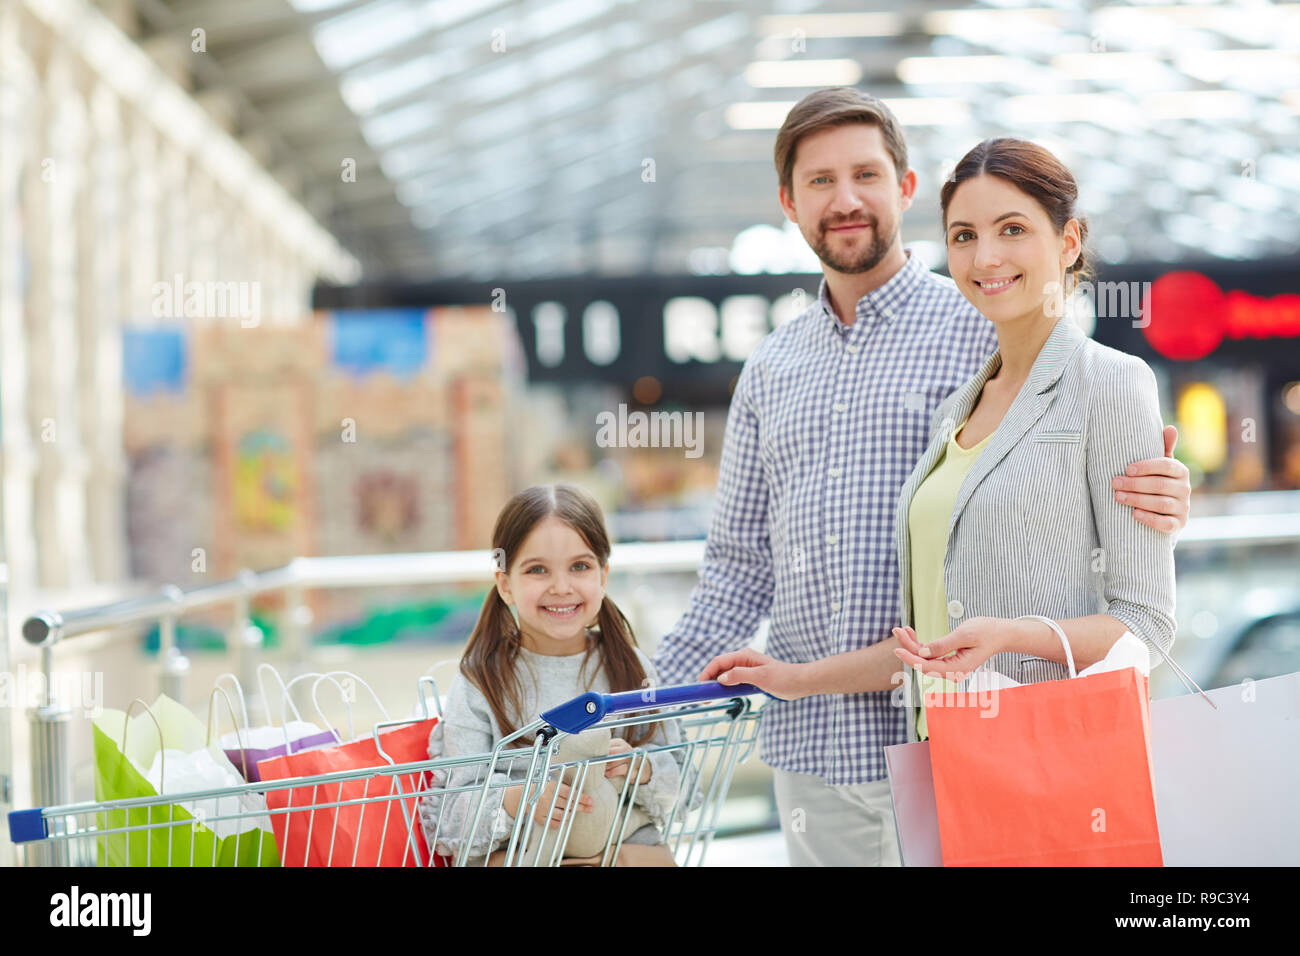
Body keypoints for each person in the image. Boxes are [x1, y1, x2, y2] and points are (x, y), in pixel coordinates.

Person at [652, 87, 1191, 867]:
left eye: (866, 174)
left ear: (904, 188)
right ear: (788, 203)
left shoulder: (986, 326)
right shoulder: (770, 369)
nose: (845, 200)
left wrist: (1171, 493)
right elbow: (737, 567)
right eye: (819, 181)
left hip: (988, 740)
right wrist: (647, 701)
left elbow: (1096, 481)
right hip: (818, 750)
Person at [705, 133, 1176, 748]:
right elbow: (930, 641)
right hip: (941, 757)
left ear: (1067, 241)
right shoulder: (958, 409)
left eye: (1012, 229)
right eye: (964, 236)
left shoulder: (1111, 382)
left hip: (1046, 757)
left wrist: (1010, 635)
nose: (985, 258)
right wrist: (795, 679)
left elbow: (1146, 626)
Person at [419, 483, 679, 866]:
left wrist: (641, 768)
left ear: (603, 576)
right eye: (537, 569)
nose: (561, 587)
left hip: (621, 852)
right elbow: (450, 816)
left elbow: (682, 781)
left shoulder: (632, 667)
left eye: (580, 566)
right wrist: (516, 799)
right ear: (506, 584)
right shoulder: (481, 681)